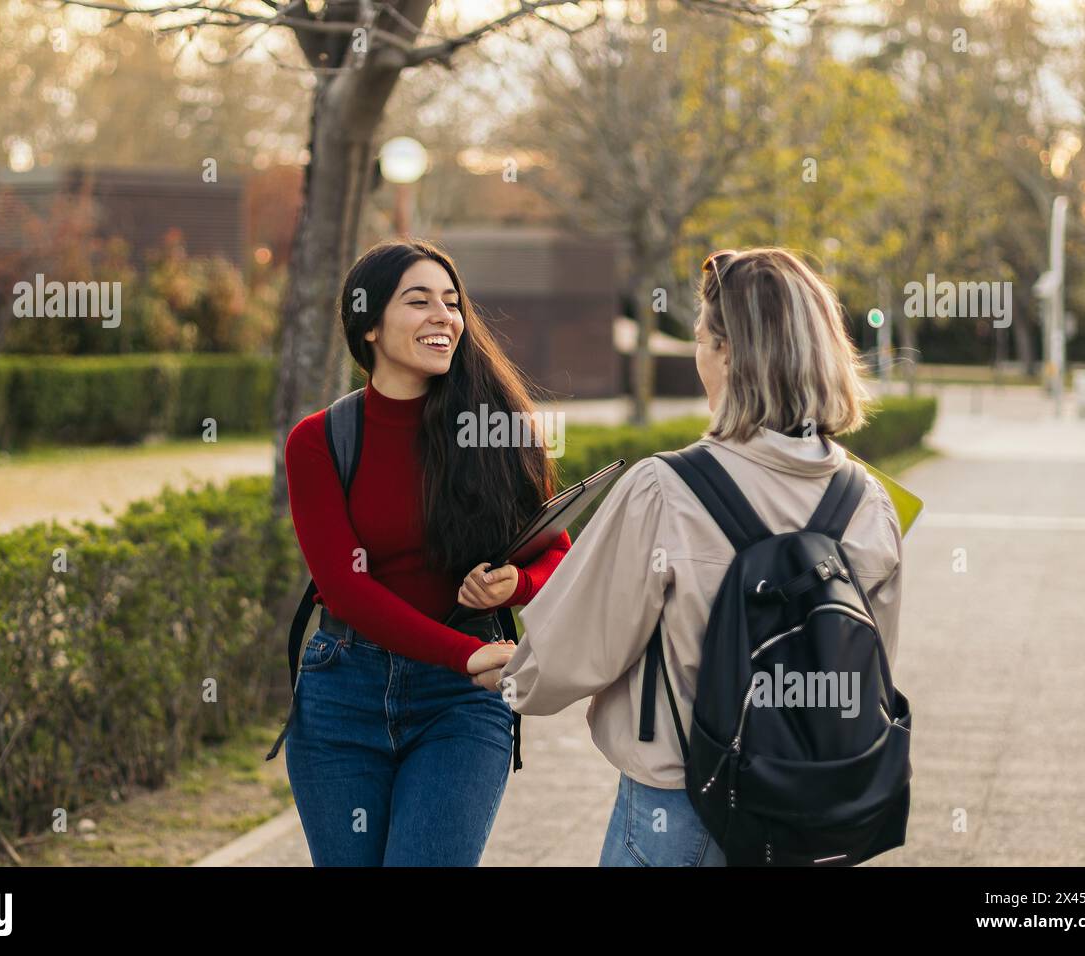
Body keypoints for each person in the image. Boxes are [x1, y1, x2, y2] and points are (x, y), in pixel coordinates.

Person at [479, 247, 904, 867]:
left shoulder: (667, 489)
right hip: (813, 808)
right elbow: (874, 661)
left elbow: (581, 642)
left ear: (731, 354)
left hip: (682, 802)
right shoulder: (868, 500)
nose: (701, 355)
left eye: (704, 339)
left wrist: (514, 674)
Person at [283, 238, 569, 866]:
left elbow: (557, 555)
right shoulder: (319, 442)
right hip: (342, 696)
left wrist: (513, 586)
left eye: (452, 301)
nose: (445, 316)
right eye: (419, 301)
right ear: (370, 327)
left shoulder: (499, 426)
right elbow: (346, 588)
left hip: (460, 707)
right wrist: (469, 653)